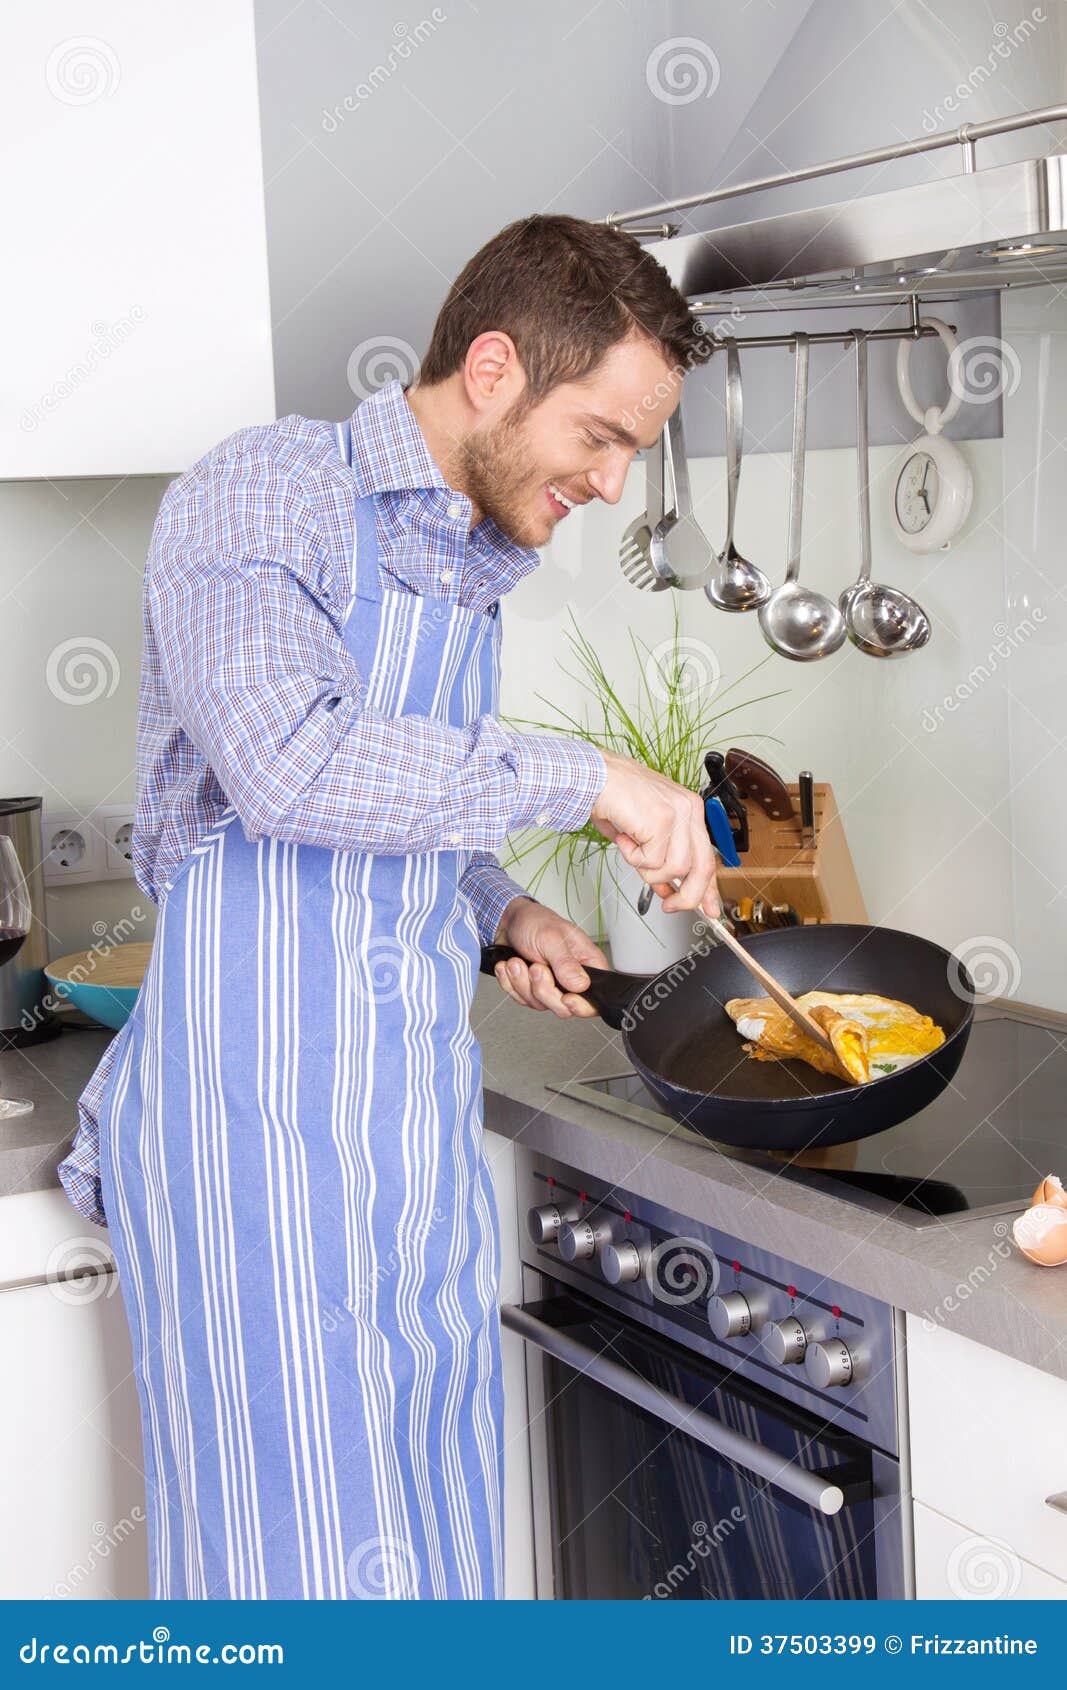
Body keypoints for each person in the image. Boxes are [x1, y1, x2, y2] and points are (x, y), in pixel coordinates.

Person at [58, 213, 719, 1600]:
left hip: (401, 1145)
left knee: (431, 1566)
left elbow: (396, 798)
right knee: (292, 1584)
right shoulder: (264, 496)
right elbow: (292, 764)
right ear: (492, 369)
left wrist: (499, 912)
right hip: (259, 1151)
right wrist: (591, 778)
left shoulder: (466, 554)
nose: (609, 480)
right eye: (599, 434)